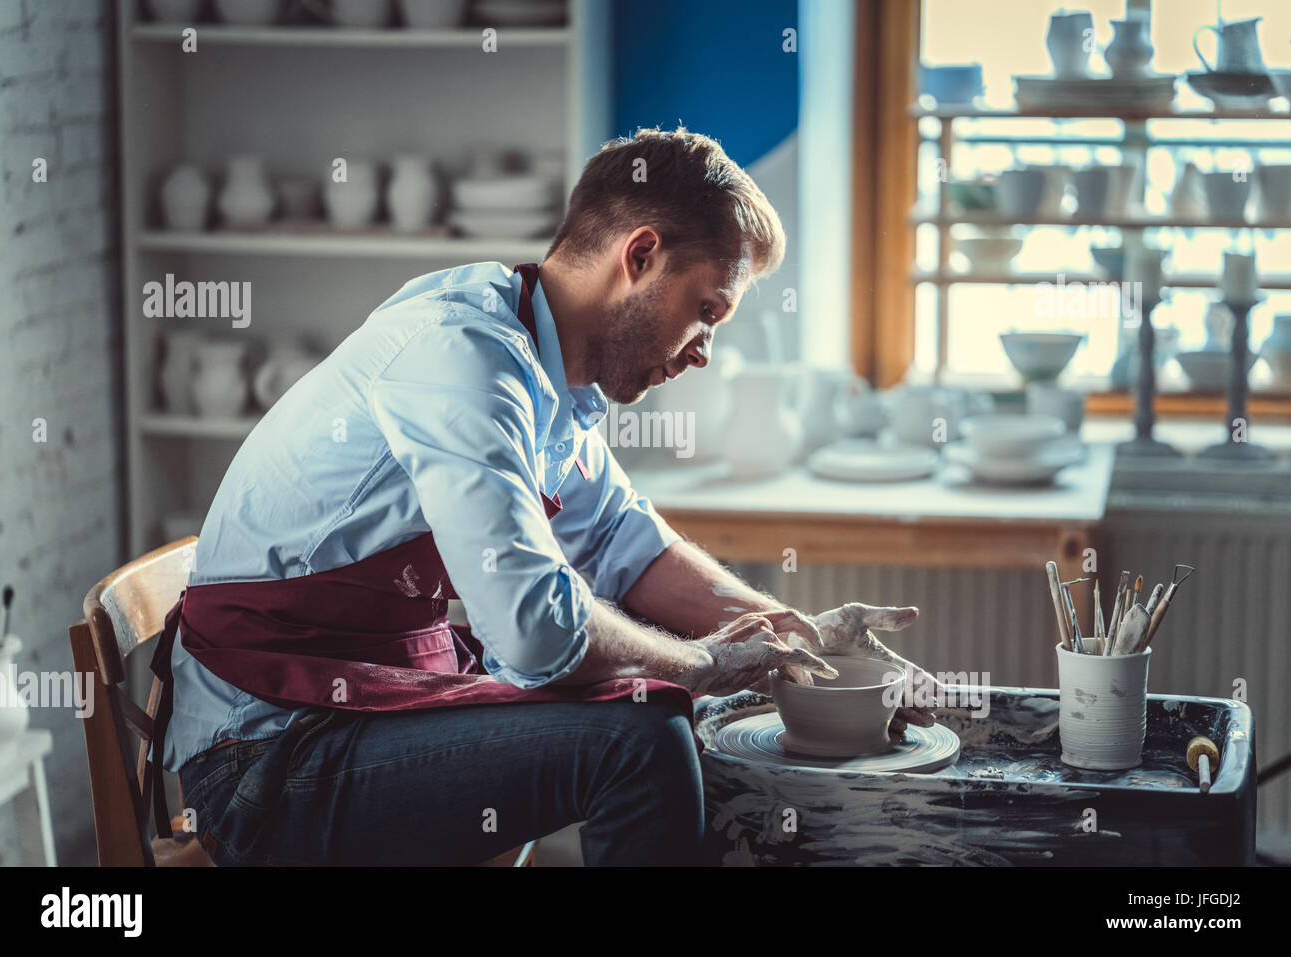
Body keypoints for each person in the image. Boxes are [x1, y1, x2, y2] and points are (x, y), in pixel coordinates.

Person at [157, 127, 939, 866]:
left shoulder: (549, 371)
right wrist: (703, 662)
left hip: (354, 711)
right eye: (706, 311)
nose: (705, 350)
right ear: (641, 255)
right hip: (264, 758)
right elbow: (538, 630)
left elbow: (629, 549)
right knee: (646, 732)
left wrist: (794, 634)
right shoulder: (463, 358)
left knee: (689, 712)